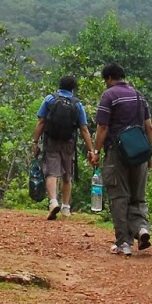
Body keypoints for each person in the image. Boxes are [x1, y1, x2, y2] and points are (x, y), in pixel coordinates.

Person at [90, 62, 152, 256]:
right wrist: (149, 153)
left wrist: (96, 151)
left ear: (109, 78)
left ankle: (124, 242)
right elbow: (149, 127)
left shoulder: (109, 96)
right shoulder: (139, 96)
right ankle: (142, 228)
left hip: (117, 153)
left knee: (119, 196)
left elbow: (103, 127)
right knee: (138, 196)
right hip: (140, 152)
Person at [31, 75, 97, 219]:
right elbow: (84, 129)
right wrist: (91, 150)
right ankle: (66, 207)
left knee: (51, 172)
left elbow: (41, 122)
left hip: (51, 141)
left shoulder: (50, 99)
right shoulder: (77, 104)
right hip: (68, 142)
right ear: (73, 88)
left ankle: (53, 201)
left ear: (59, 85)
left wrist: (35, 142)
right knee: (67, 174)